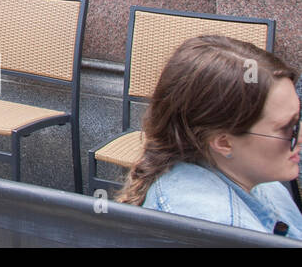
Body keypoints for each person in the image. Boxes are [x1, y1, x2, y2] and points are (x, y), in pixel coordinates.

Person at [118, 35, 302, 238]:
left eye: (298, 119)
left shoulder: (253, 175)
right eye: (287, 128)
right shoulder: (223, 229)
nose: (299, 136)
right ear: (223, 142)